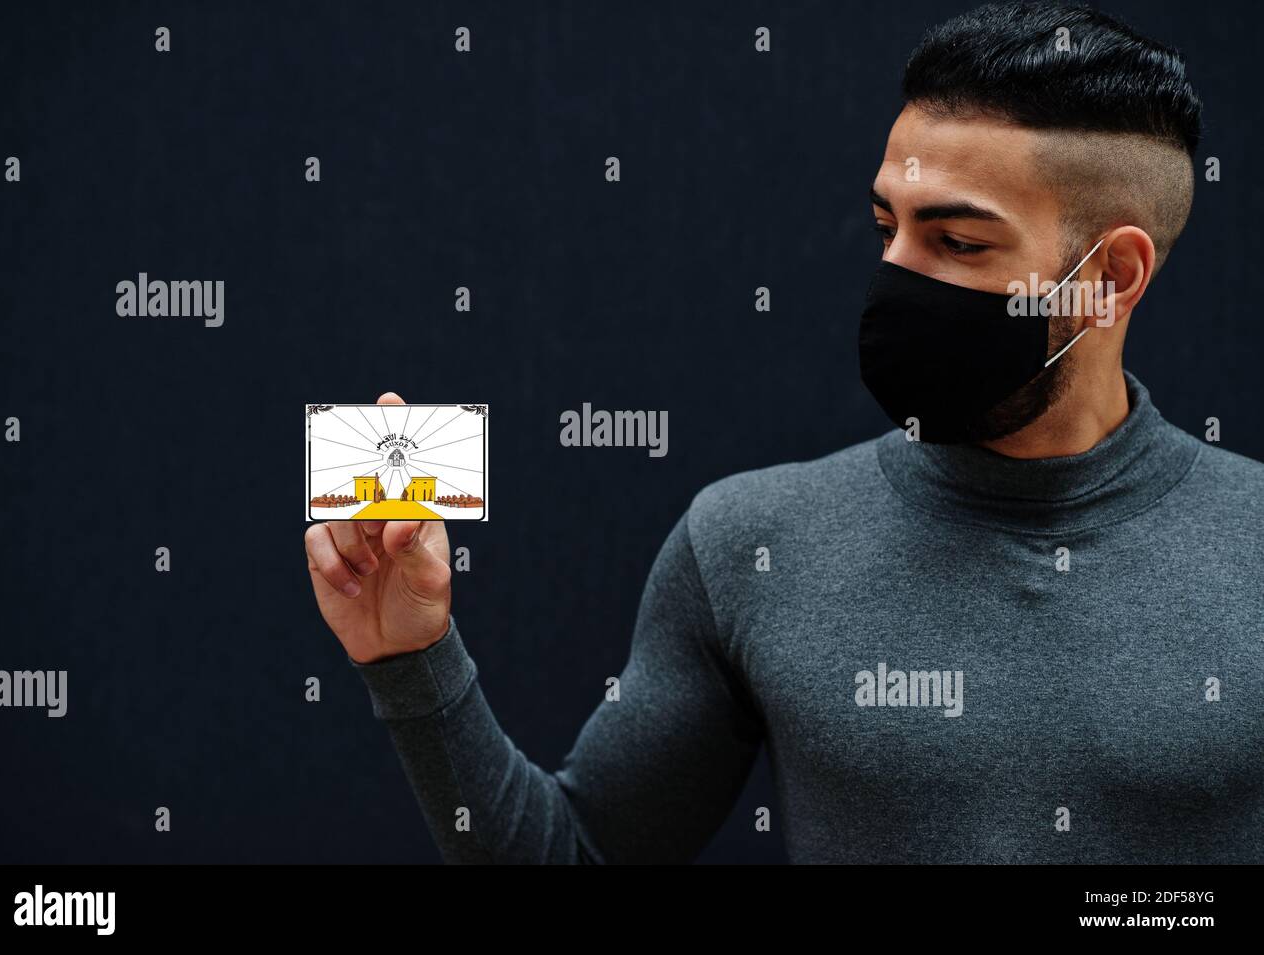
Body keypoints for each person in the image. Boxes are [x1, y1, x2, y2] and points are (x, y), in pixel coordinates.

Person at [304, 1, 1264, 863]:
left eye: (957, 242)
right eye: (886, 224)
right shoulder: (753, 540)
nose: (897, 272)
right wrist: (412, 656)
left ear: (1113, 276)